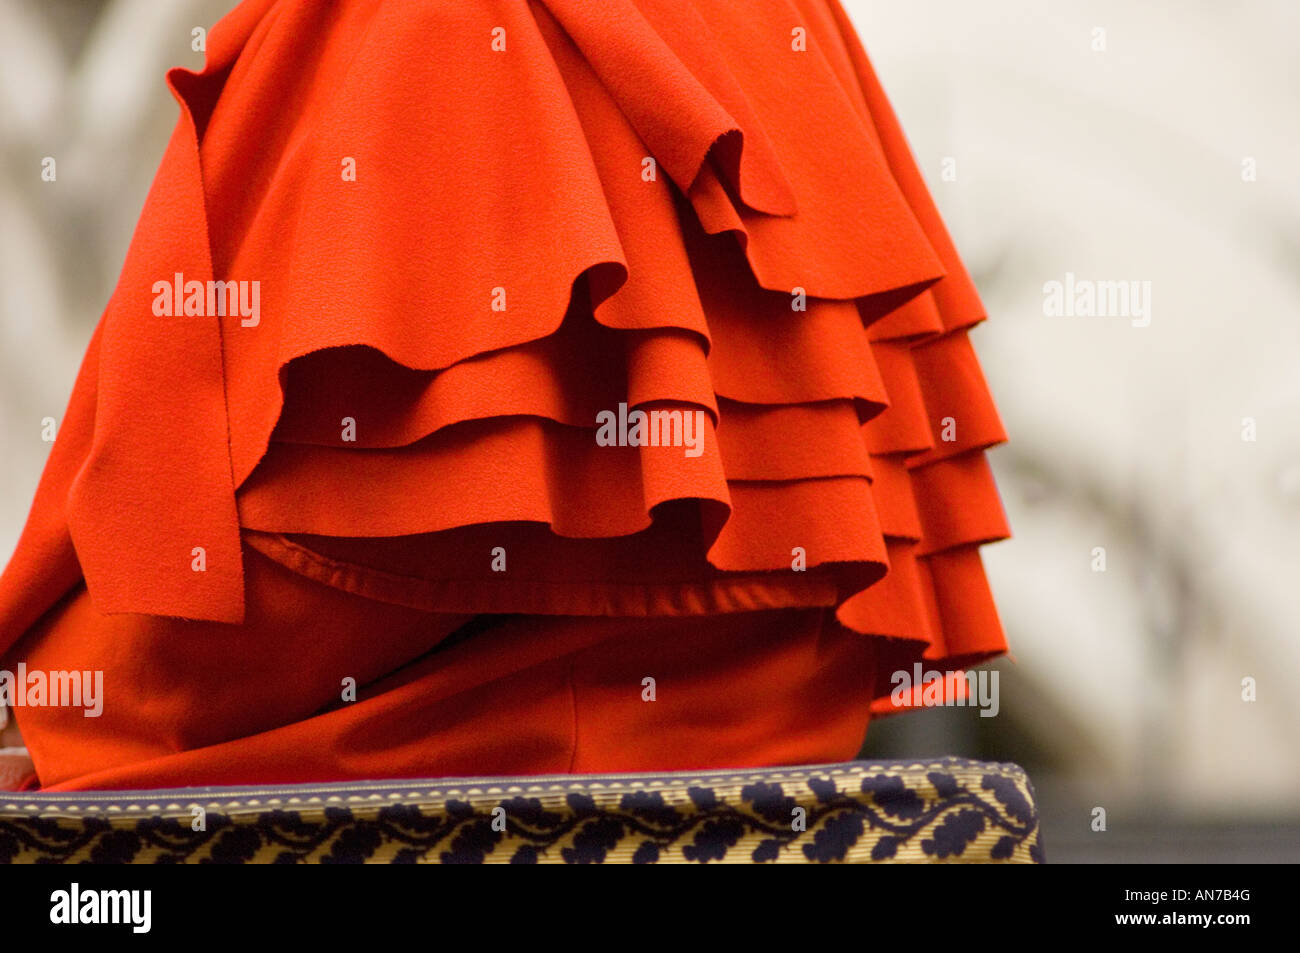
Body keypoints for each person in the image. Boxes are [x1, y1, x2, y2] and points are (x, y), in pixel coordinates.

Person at [0, 0, 1010, 791]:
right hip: (756, 780)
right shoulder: (790, 25)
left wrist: (50, 692)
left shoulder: (405, 26)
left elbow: (229, 623)